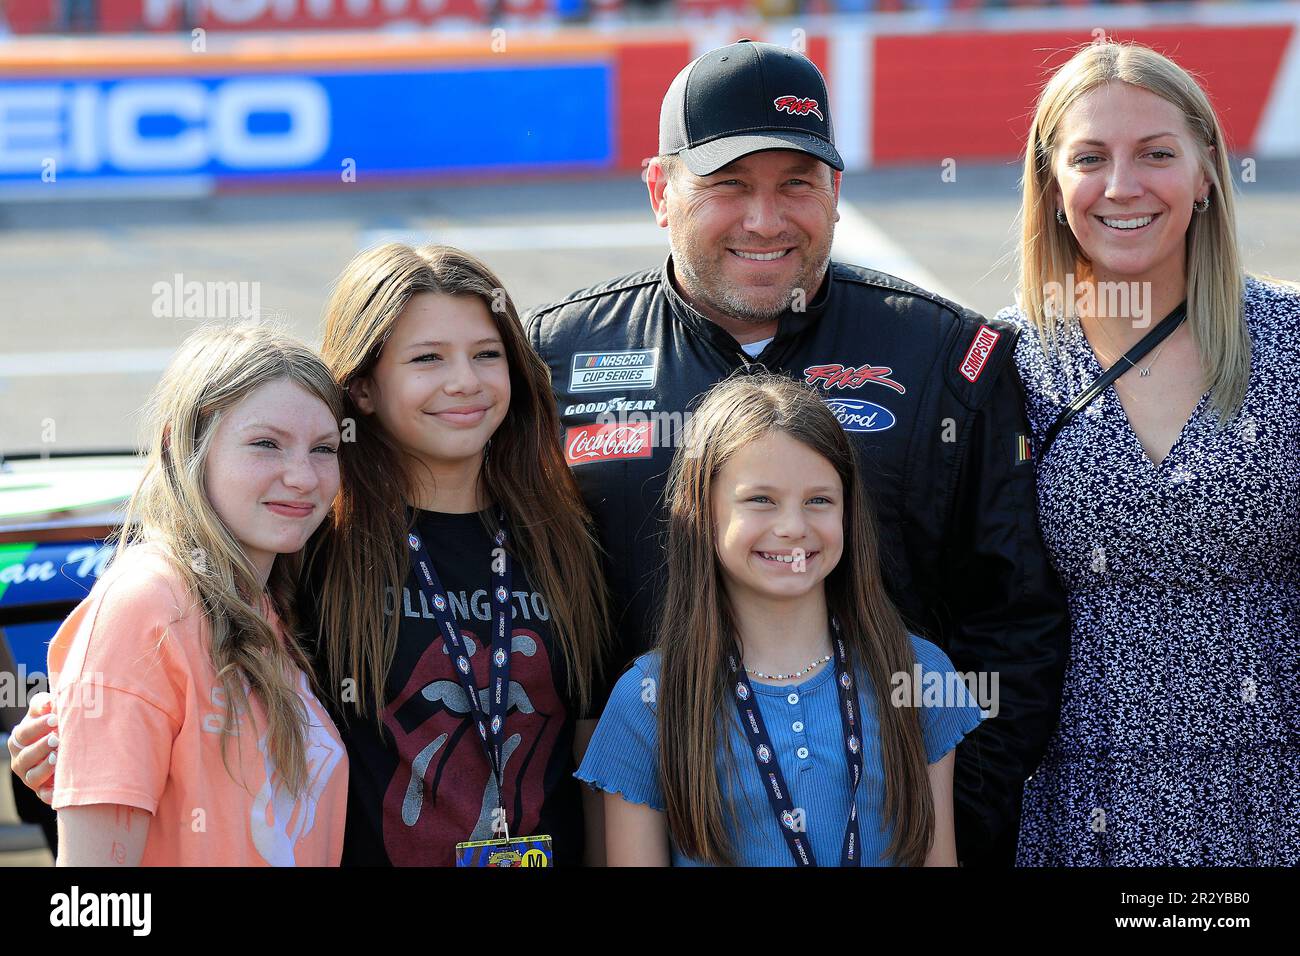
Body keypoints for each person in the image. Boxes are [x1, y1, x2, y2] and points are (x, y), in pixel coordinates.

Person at [524, 38, 1069, 865]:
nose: (766, 219)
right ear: (659, 192)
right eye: (729, 184)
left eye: (797, 185)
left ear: (837, 193)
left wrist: (934, 819)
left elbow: (1015, 623)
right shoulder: (553, 360)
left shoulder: (941, 356)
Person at [12, 244, 613, 867]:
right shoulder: (307, 540)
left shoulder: (566, 536)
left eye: (488, 354)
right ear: (361, 389)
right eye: (428, 357)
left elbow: (596, 752)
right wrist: (74, 739)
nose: (464, 379)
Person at [999, 41, 1300, 865]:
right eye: (1089, 158)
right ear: (1052, 185)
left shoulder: (1291, 341)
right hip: (1075, 806)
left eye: (1157, 154)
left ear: (1206, 172)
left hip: (1272, 806)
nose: (1123, 186)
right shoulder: (1002, 364)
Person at [577, 371, 983, 866]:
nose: (793, 527)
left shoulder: (917, 672)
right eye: (761, 500)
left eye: (819, 500)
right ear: (700, 513)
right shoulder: (650, 699)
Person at [42, 324, 349, 866]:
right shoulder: (144, 608)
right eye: (265, 443)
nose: (303, 476)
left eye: (323, 448)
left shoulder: (271, 607)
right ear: (181, 446)